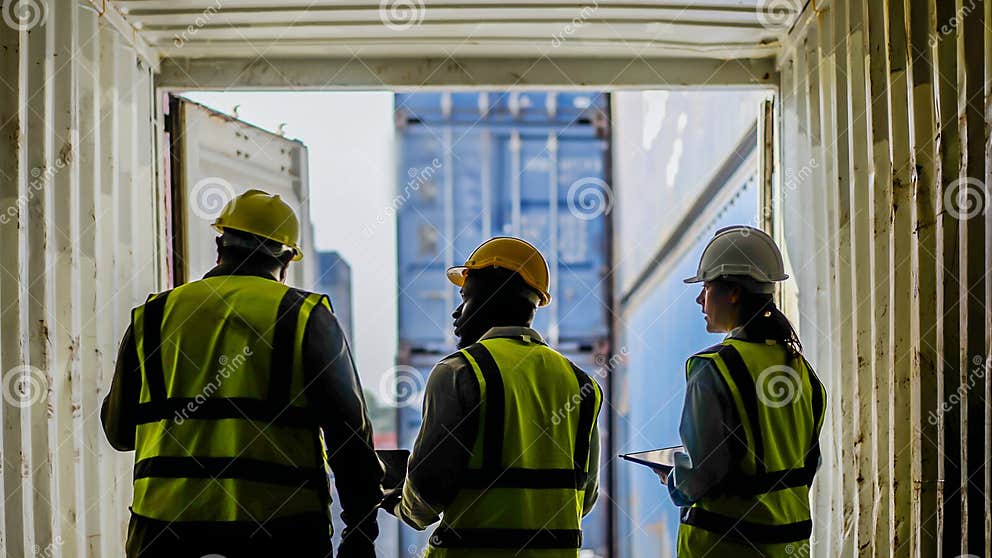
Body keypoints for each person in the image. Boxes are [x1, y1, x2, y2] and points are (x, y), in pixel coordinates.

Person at [101, 189, 383, 557]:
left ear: (221, 245)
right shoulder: (304, 317)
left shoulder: (153, 317)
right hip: (280, 536)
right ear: (285, 259)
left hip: (163, 535)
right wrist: (361, 531)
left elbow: (119, 433)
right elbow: (349, 439)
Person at [382, 236, 603, 557]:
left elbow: (426, 498)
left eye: (465, 297)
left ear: (491, 298)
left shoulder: (459, 371)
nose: (456, 314)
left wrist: (397, 499)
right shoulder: (581, 383)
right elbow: (585, 498)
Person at [662, 225, 826, 557]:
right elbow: (809, 462)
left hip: (725, 547)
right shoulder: (800, 370)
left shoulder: (712, 368)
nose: (699, 299)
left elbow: (702, 472)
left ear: (733, 292)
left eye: (706, 287)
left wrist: (672, 479)